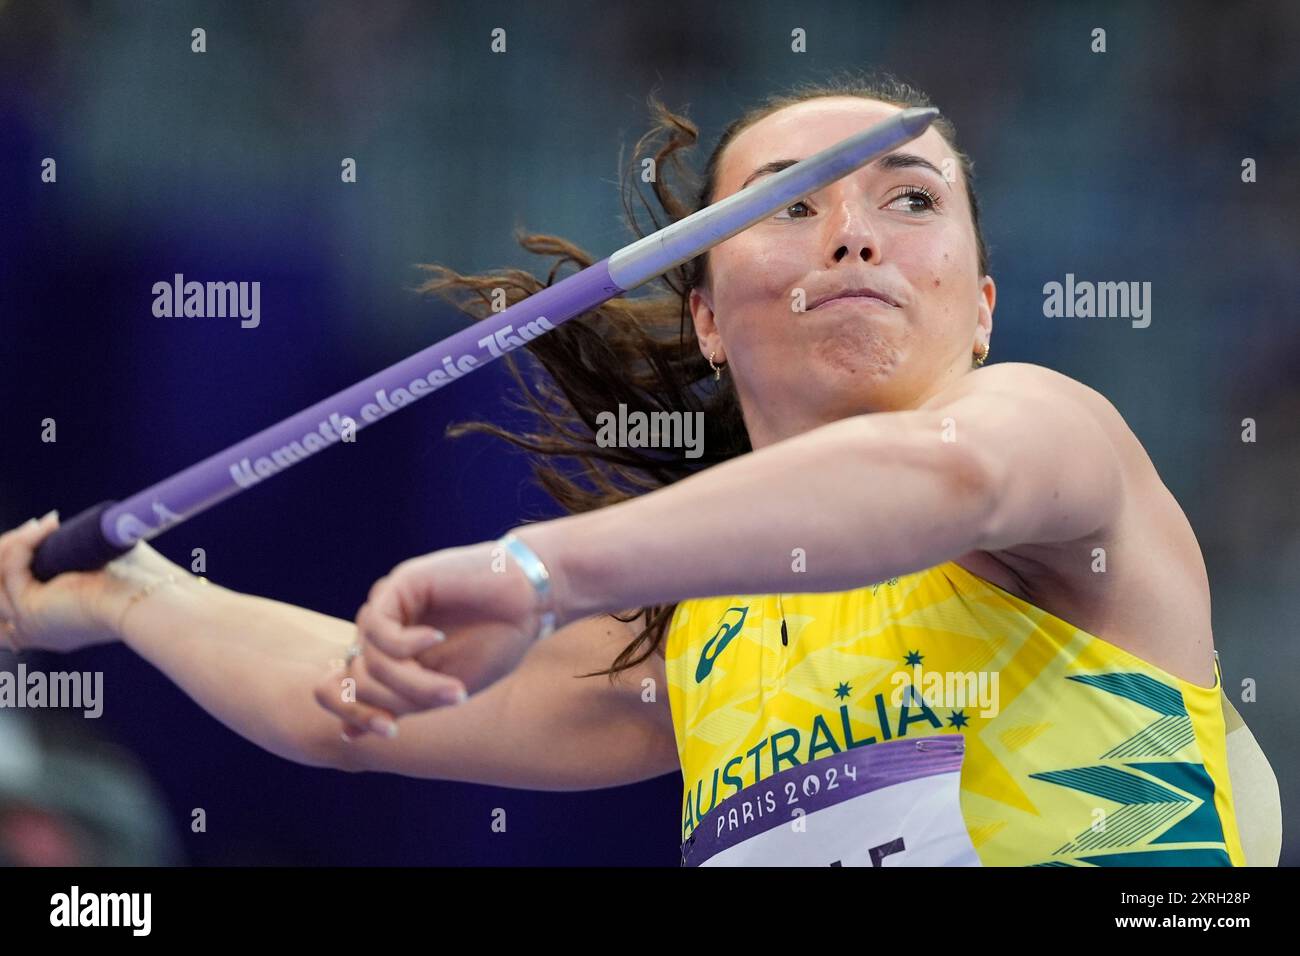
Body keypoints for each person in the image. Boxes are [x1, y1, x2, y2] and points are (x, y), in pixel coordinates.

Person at [0, 74, 1270, 865]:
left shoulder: (1052, 436)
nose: (852, 234)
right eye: (786, 203)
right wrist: (130, 597)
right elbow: (359, 700)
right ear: (710, 316)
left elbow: (933, 479)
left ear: (982, 305)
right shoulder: (700, 646)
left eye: (911, 201)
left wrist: (540, 569)